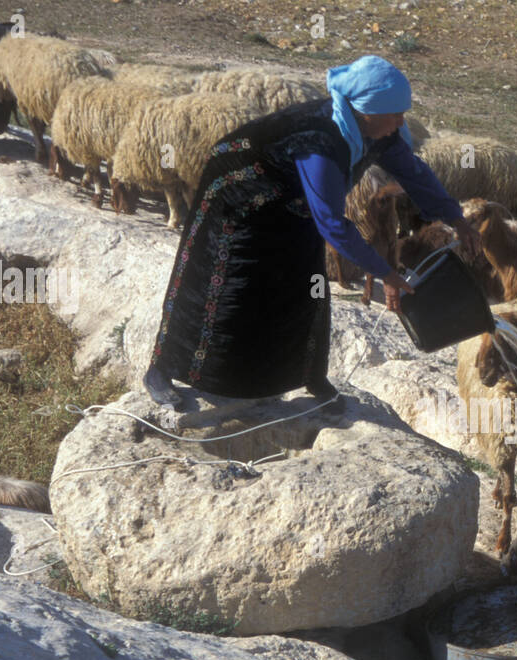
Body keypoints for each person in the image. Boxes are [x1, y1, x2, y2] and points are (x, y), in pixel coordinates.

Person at [143, 55, 481, 407]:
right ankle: (162, 368)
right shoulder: (320, 141)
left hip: (291, 199)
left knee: (306, 281)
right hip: (238, 196)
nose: (401, 122)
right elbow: (333, 223)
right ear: (366, 111)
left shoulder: (381, 132)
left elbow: (415, 174)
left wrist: (456, 219)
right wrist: (385, 273)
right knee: (221, 284)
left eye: (402, 113)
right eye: (395, 113)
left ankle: (308, 376)